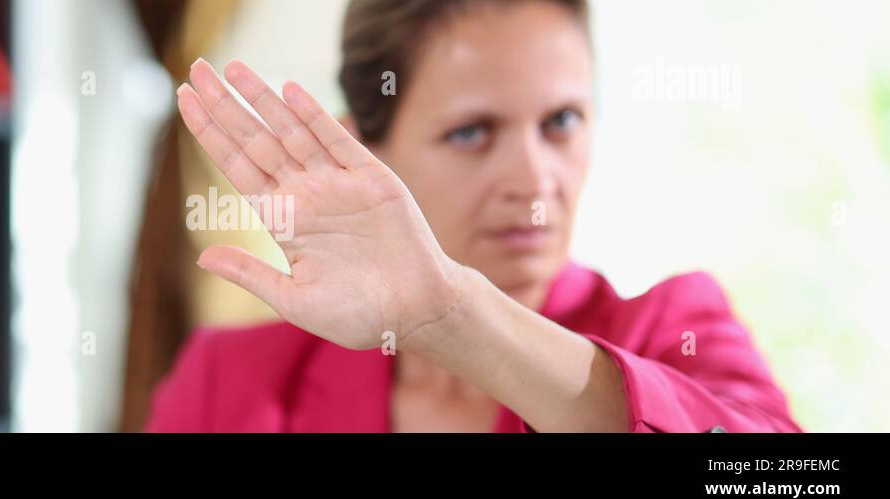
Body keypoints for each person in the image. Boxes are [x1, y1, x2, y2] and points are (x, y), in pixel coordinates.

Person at [148, 0, 800, 432]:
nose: (535, 177)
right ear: (360, 152)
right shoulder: (231, 383)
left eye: (562, 122)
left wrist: (452, 316)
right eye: (472, 132)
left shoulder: (674, 325)